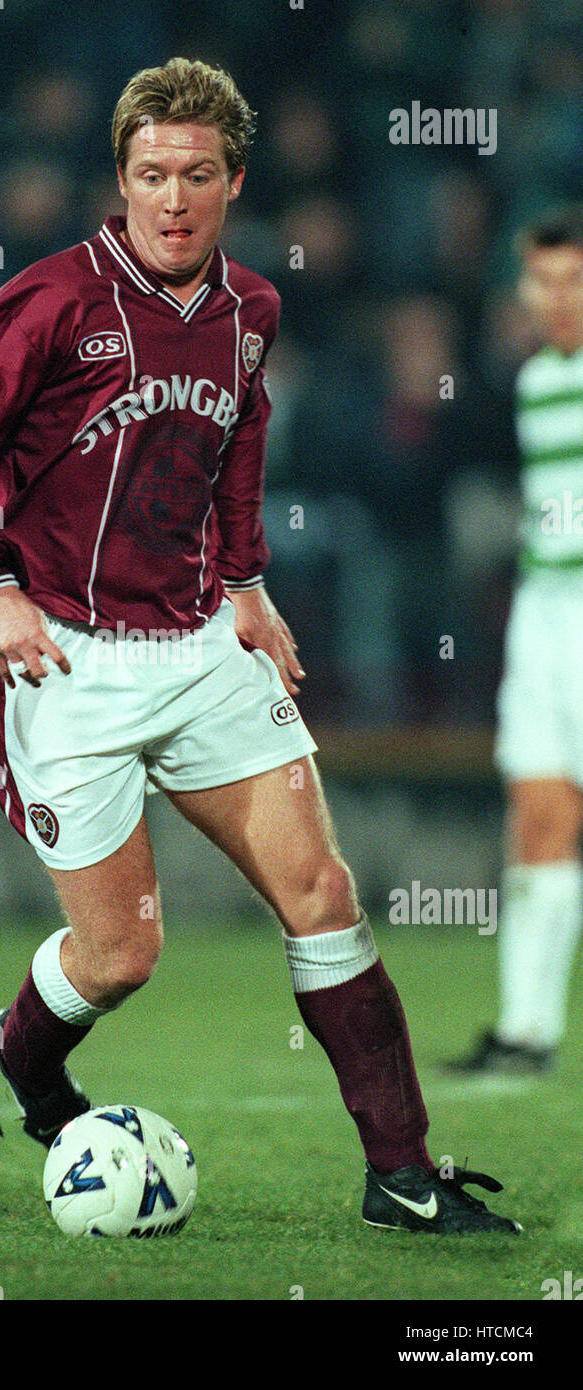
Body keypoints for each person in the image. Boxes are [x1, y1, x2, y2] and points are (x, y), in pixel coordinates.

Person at [0, 57, 519, 1233]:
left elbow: (240, 435)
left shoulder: (252, 309)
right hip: (64, 660)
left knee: (322, 890)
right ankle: (29, 1063)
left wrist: (243, 581)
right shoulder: (47, 304)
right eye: (150, 175)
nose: (172, 199)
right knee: (120, 958)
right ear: (121, 179)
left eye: (196, 174)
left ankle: (400, 1175)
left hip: (197, 646)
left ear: (234, 180)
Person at [449, 209, 583, 1075]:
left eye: (572, 281)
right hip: (545, 614)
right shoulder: (535, 380)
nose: (555, 298)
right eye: (541, 281)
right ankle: (525, 1030)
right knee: (537, 814)